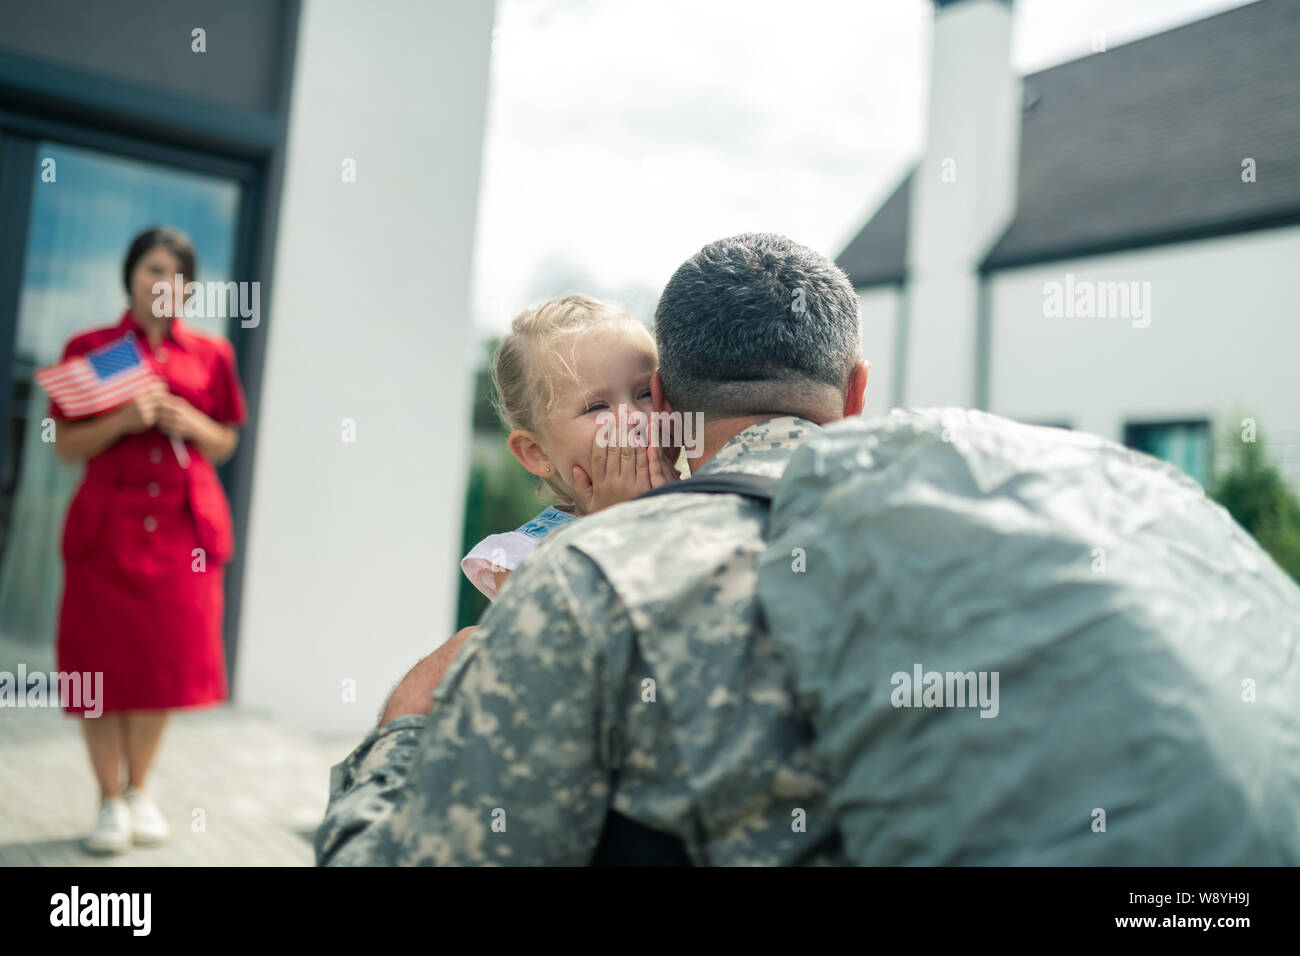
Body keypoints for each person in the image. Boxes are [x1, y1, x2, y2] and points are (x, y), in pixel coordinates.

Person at [315, 233, 868, 865]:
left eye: (639, 397)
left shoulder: (582, 580)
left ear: (667, 400)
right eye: (597, 407)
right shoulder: (532, 559)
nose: (630, 421)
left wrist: (401, 732)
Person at [49, 226, 248, 854]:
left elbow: (226, 441)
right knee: (100, 668)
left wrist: (190, 421)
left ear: (188, 288)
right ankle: (108, 800)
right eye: (152, 270)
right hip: (108, 535)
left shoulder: (212, 355)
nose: (163, 283)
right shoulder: (96, 349)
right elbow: (64, 446)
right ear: (131, 275)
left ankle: (140, 791)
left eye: (176, 274)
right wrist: (122, 419)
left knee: (161, 667)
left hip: (182, 538)